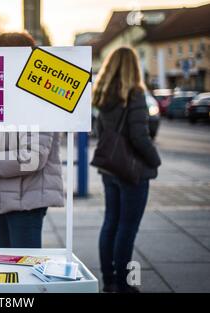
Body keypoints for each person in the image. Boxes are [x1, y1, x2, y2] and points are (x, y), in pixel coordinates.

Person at [0, 32, 64, 249]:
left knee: (24, 271)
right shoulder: (5, 98)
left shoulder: (38, 101)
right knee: (8, 269)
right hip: (3, 199)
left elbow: (31, 158)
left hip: (26, 203)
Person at [93, 47, 161, 293]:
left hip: (110, 169)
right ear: (134, 68)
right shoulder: (135, 95)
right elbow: (140, 137)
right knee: (127, 227)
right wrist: (155, 161)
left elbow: (101, 134)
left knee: (110, 222)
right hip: (133, 172)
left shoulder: (103, 96)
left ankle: (109, 280)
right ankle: (125, 284)